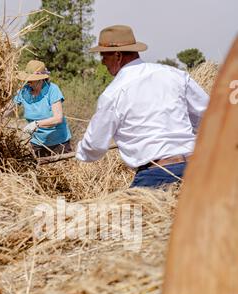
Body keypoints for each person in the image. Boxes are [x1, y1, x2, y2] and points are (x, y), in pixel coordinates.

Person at [76, 25, 209, 187]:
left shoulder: (113, 93)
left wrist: (80, 151)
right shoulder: (175, 75)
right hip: (197, 167)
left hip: (156, 175)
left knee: (126, 213)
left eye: (104, 56)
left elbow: (94, 146)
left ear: (118, 56)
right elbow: (209, 116)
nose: (102, 62)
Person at [13, 60, 72, 157]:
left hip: (59, 143)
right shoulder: (24, 91)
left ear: (40, 79)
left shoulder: (52, 90)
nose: (28, 82)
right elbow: (9, 108)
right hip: (37, 143)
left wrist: (36, 124)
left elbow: (58, 118)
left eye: (31, 79)